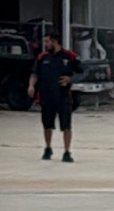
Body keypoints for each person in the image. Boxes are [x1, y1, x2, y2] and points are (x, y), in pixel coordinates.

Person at [28, 34, 81, 162]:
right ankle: (48, 148)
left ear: (55, 41)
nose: (45, 44)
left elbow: (82, 72)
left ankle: (67, 152)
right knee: (47, 124)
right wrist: (31, 86)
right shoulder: (42, 57)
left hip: (63, 96)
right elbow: (35, 73)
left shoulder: (69, 56)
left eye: (47, 42)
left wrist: (70, 79)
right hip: (46, 95)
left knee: (66, 125)